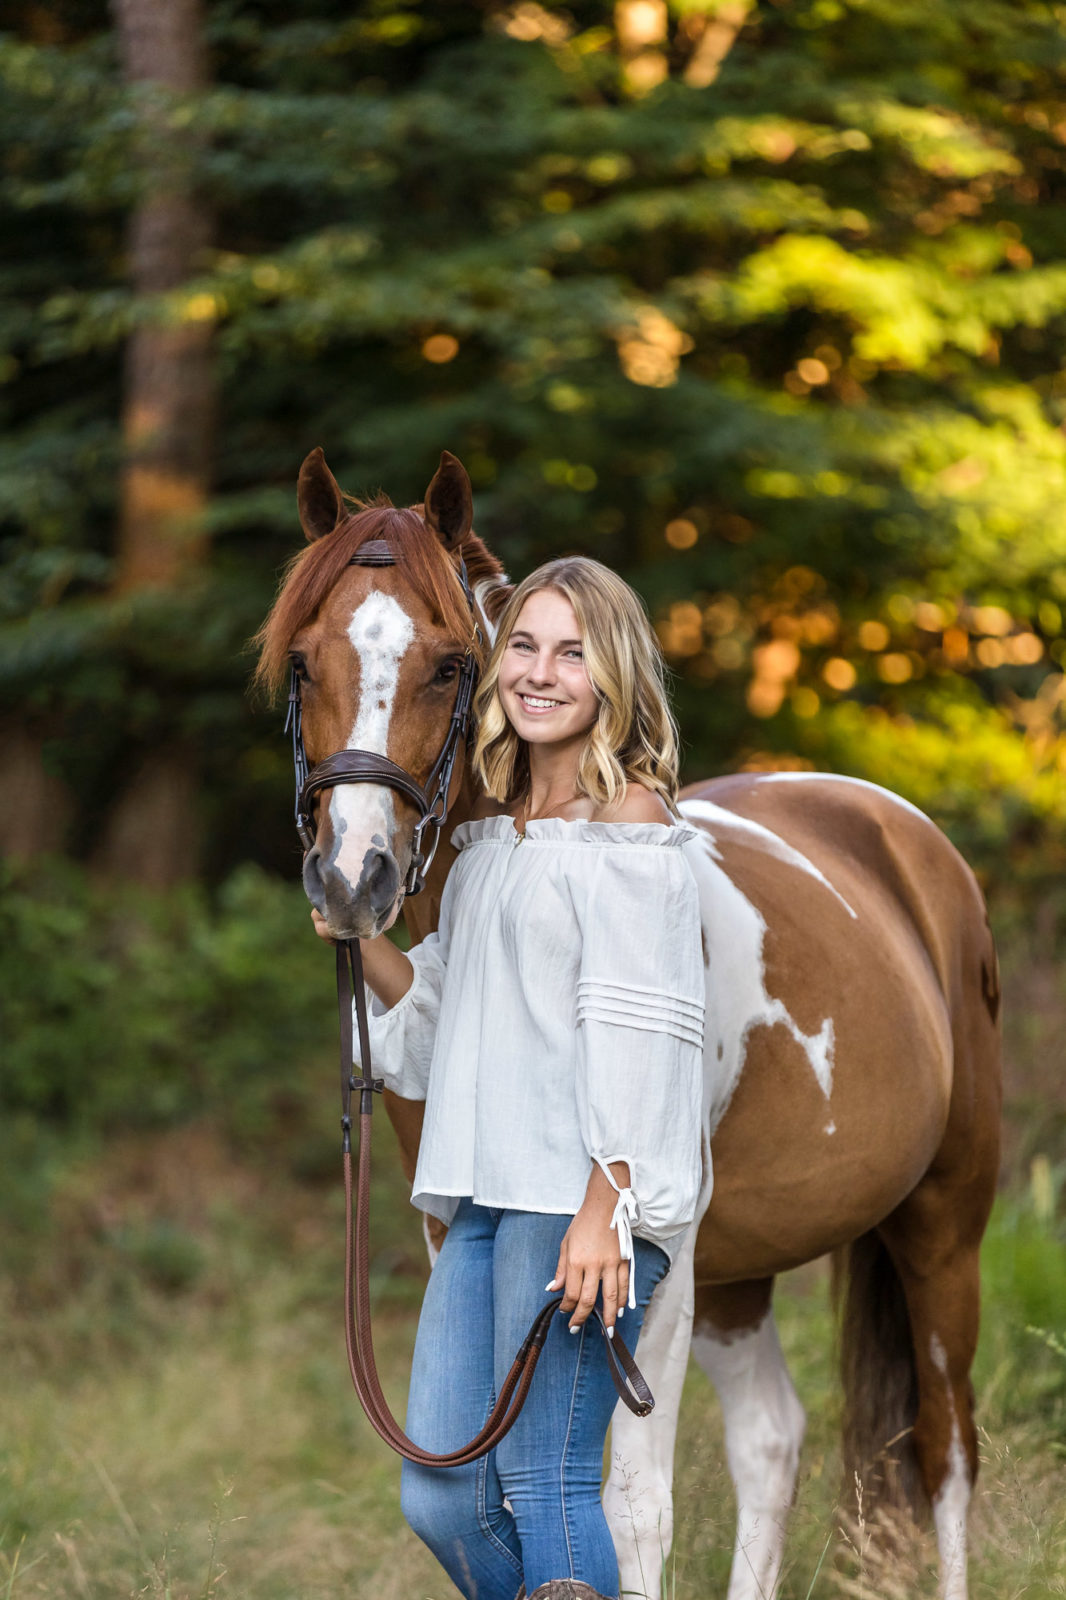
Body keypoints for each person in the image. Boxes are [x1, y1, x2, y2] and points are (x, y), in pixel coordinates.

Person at [313, 556, 706, 1600]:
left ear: (612, 676)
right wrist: (363, 935)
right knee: (440, 1496)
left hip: (573, 1202)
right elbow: (439, 1027)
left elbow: (644, 1035)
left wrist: (604, 1203)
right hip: (483, 1199)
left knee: (544, 1481)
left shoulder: (633, 832)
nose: (539, 672)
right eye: (523, 646)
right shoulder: (487, 843)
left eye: (571, 653)